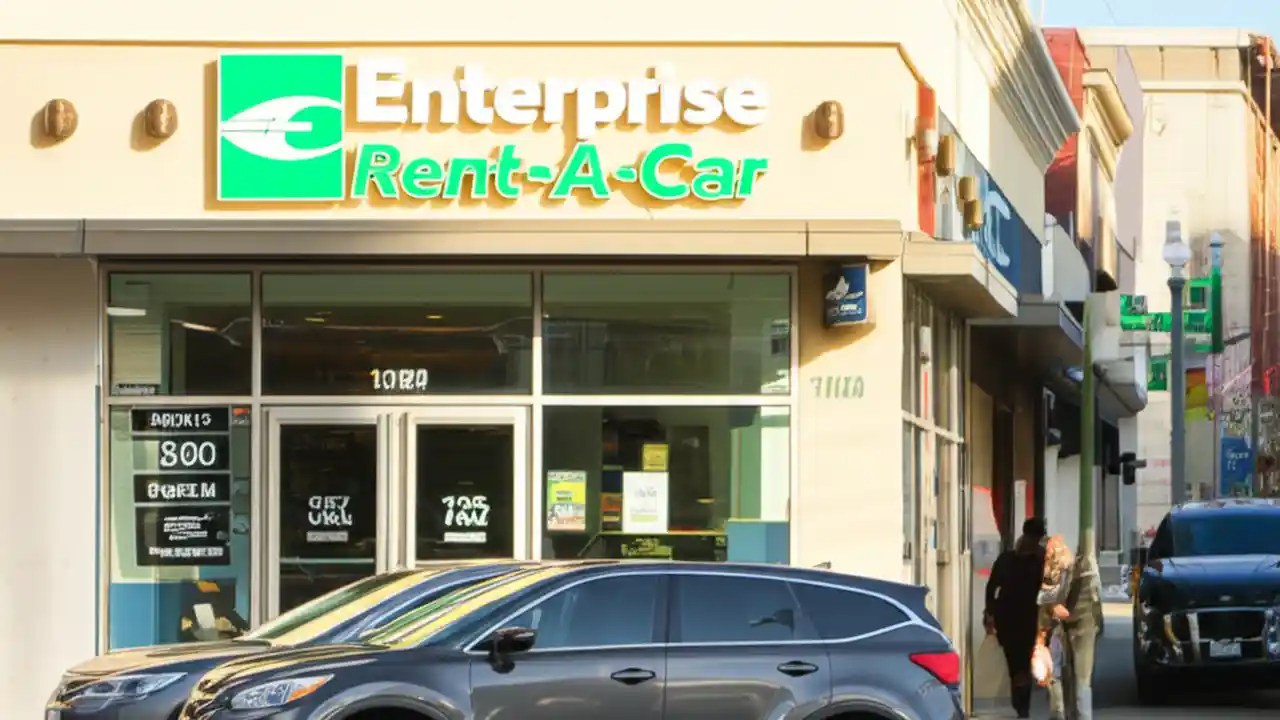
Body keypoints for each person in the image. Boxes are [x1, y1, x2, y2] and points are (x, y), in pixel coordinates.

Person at [983, 517, 1048, 719]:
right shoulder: (1040, 561)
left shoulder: (1008, 559)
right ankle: (1021, 704)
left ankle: (1021, 705)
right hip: (1025, 619)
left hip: (1014, 619)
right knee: (1020, 664)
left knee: (1019, 664)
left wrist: (990, 611)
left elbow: (992, 587)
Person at [1039, 535, 1103, 720]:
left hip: (1064, 629)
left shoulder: (1052, 573)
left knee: (1058, 676)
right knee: (1082, 681)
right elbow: (1096, 599)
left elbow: (1048, 608)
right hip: (1085, 626)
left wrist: (1042, 633)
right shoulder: (1085, 568)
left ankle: (1061, 714)